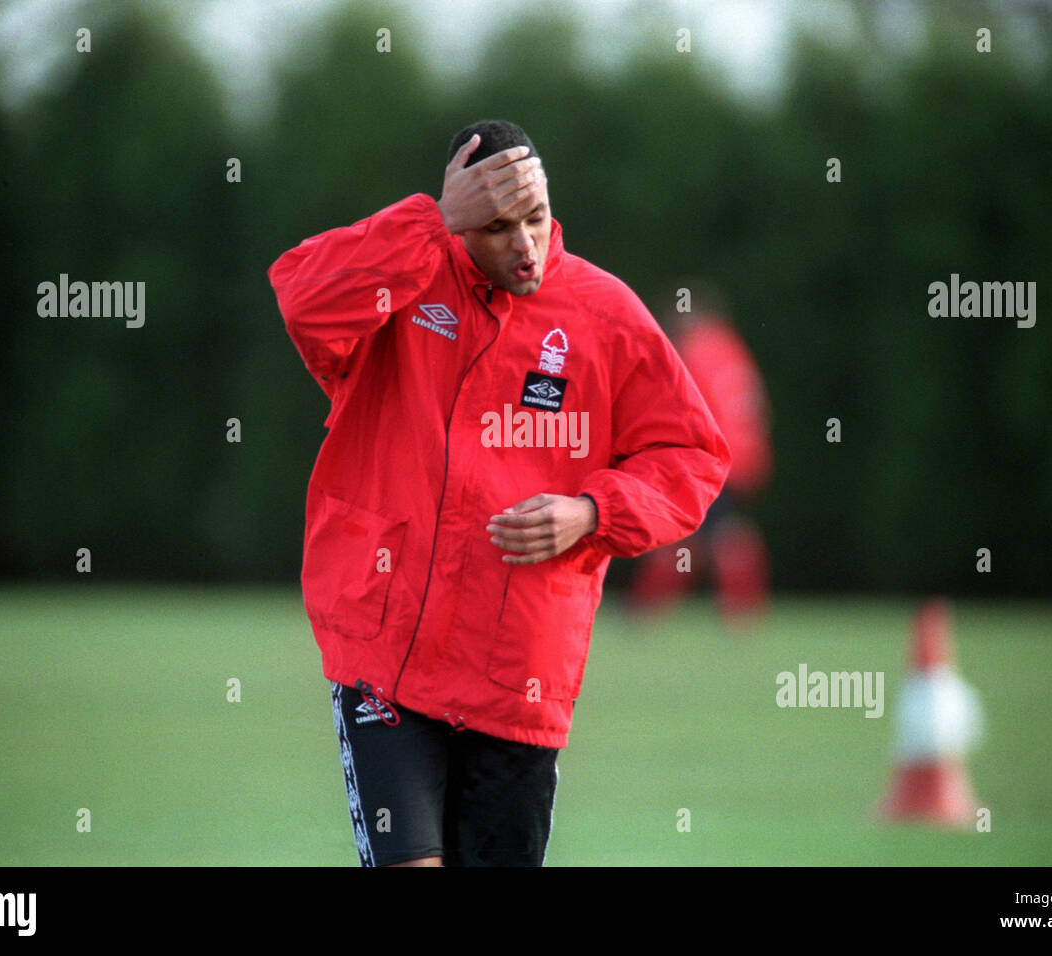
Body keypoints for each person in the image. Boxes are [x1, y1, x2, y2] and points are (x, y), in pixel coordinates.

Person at [267, 120, 730, 867]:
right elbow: (302, 300)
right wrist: (429, 221)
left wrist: (592, 512)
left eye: (536, 218)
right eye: (495, 226)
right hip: (386, 659)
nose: (526, 245)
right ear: (457, 223)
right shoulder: (406, 276)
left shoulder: (604, 314)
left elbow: (695, 454)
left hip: (520, 674)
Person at [628, 292, 773, 623]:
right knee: (705, 532)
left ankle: (648, 607)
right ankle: (737, 610)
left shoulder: (694, 350)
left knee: (706, 533)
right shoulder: (731, 347)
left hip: (714, 456)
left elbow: (681, 406)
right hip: (746, 456)